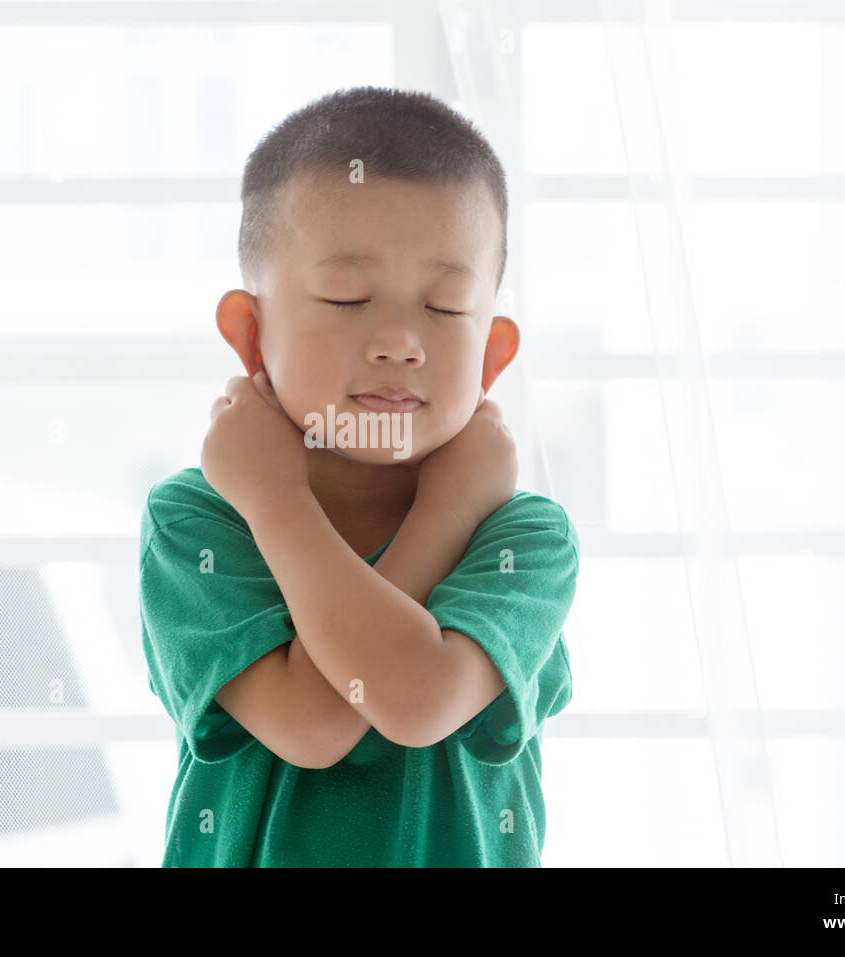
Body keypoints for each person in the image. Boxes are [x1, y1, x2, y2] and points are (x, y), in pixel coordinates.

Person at [139, 85, 580, 866]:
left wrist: (454, 510)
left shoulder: (524, 539)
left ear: (493, 355)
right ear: (250, 333)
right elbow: (316, 722)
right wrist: (278, 499)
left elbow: (414, 698)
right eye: (347, 296)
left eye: (446, 308)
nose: (402, 341)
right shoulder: (201, 524)